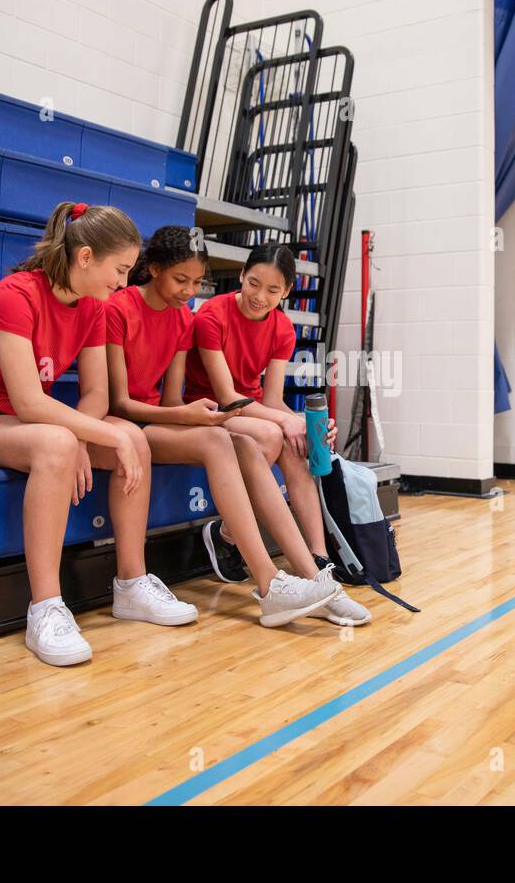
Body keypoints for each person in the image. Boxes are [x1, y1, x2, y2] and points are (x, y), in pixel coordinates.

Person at [0, 202, 196, 668]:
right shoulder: (14, 296)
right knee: (60, 442)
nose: (123, 282)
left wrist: (91, 432)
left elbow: (96, 393)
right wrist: (78, 436)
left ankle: (132, 584)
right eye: (119, 270)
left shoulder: (94, 307)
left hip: (31, 419)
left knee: (131, 438)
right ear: (86, 257)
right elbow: (28, 401)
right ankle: (46, 607)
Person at [105, 226, 355, 627]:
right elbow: (120, 403)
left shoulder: (181, 319)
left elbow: (169, 400)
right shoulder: (124, 309)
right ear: (152, 270)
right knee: (242, 436)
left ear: (287, 292)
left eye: (195, 282)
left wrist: (302, 423)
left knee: (257, 438)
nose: (189, 290)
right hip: (129, 421)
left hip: (164, 419)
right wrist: (189, 416)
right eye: (180, 280)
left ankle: (313, 572)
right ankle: (272, 581)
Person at [182, 242, 371, 626]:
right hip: (211, 410)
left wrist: (307, 425)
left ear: (286, 292)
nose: (260, 297)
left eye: (272, 290)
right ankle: (236, 536)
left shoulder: (282, 327)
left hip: (252, 412)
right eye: (254, 284)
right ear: (240, 276)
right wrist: (284, 422)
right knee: (272, 435)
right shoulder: (211, 315)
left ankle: (318, 566)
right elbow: (227, 396)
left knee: (298, 443)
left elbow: (271, 399)